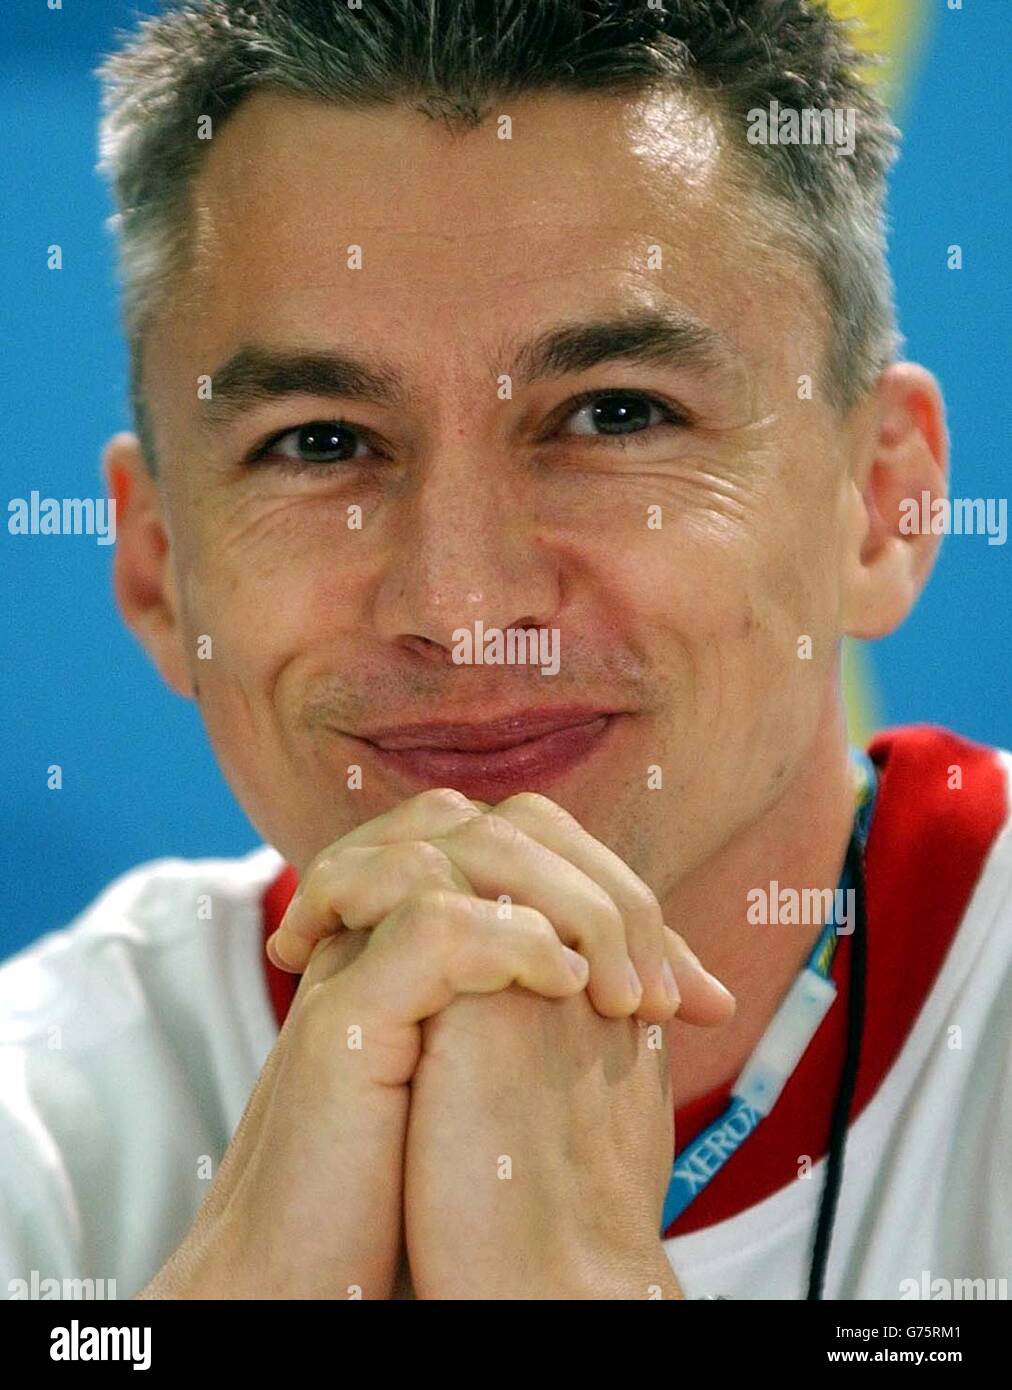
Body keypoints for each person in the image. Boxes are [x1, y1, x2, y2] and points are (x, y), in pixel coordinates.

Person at [2, 0, 1009, 1302]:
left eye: (615, 413)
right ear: (156, 569)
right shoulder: (39, 1114)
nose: (461, 596)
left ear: (880, 504)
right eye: (319, 441)